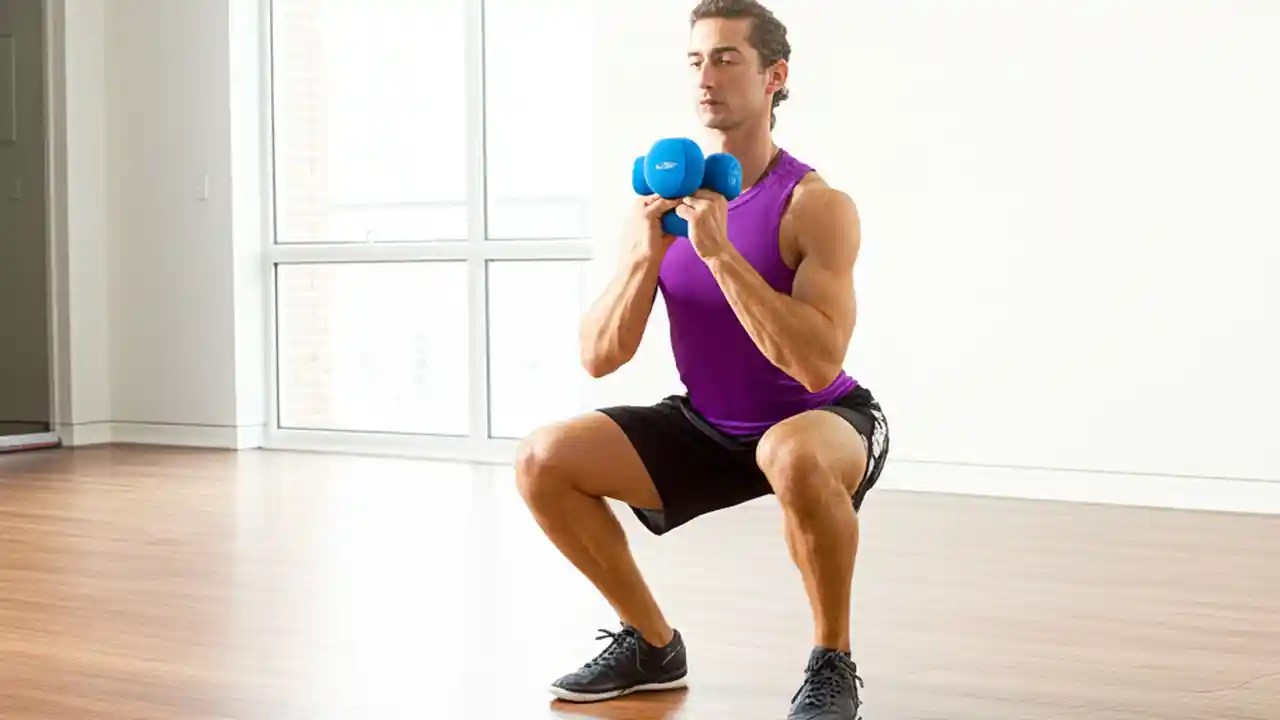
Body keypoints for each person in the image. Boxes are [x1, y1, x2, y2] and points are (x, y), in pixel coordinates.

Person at [514, 1, 889, 718]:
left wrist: (718, 254)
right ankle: (651, 645)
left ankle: (832, 663)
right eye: (695, 61)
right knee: (542, 459)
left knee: (790, 451)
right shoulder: (666, 202)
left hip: (822, 423)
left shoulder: (815, 205)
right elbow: (600, 357)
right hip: (711, 423)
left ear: (775, 76)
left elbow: (816, 364)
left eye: (726, 58)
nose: (706, 77)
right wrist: (643, 258)